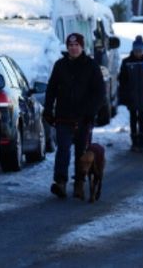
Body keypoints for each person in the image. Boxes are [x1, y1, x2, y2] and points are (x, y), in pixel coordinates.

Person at [43, 32, 106, 199]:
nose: (73, 48)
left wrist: (91, 112)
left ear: (82, 47)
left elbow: (99, 93)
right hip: (63, 116)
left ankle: (79, 182)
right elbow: (51, 89)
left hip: (83, 118)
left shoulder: (91, 66)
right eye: (70, 45)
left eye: (76, 45)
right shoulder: (60, 65)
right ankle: (60, 182)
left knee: (81, 152)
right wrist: (48, 110)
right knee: (63, 150)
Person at [117, 35, 143, 152]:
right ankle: (134, 142)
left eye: (140, 51)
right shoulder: (126, 62)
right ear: (133, 49)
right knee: (133, 118)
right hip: (132, 96)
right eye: (136, 51)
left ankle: (141, 142)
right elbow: (122, 81)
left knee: (142, 118)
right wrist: (123, 96)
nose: (138, 53)